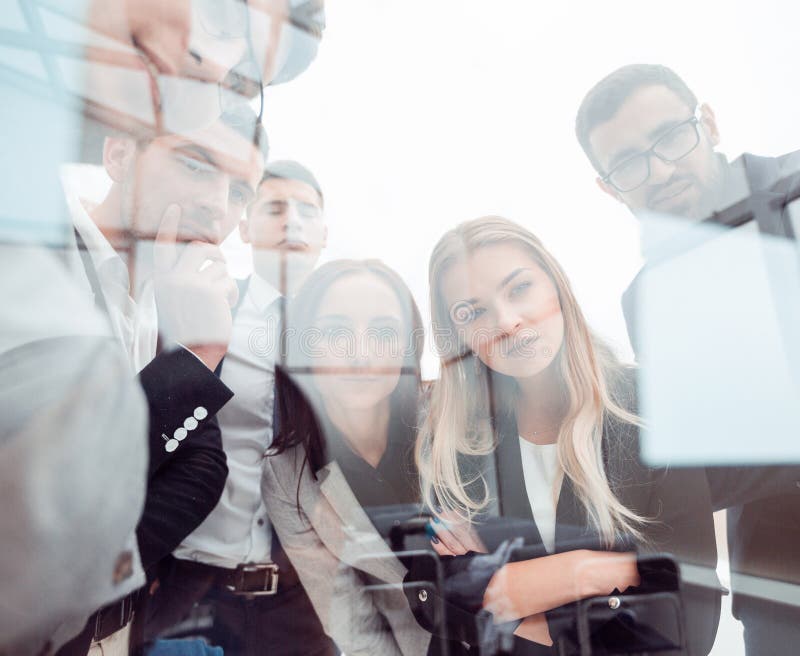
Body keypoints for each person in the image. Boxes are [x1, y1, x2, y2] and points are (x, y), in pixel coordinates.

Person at [412, 216, 720, 655]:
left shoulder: (652, 405)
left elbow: (688, 609)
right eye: (473, 311)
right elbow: (431, 594)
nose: (507, 322)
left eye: (519, 289)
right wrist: (597, 573)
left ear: (555, 285)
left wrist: (533, 589)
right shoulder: (453, 439)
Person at [574, 63, 800, 655]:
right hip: (786, 588)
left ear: (710, 123)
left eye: (671, 137)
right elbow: (706, 464)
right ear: (608, 187)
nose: (661, 171)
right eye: (627, 163)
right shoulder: (647, 300)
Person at [146, 161, 333, 656]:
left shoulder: (350, 333)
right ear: (246, 227)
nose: (291, 220)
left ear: (325, 233)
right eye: (273, 207)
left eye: (306, 210)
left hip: (304, 595)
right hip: (191, 587)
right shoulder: (206, 313)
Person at [262, 260, 433, 656]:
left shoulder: (451, 427)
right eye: (336, 332)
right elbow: (353, 625)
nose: (360, 354)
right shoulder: (288, 474)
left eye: (384, 332)